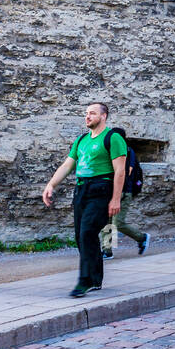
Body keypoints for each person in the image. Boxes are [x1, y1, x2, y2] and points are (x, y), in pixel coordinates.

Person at [42, 102, 128, 298]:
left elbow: (120, 171)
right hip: (81, 190)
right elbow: (67, 165)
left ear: (103, 116)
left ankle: (85, 280)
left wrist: (116, 199)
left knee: (87, 232)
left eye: (92, 113)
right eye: (86, 113)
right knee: (81, 236)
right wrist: (51, 185)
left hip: (101, 188)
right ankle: (95, 279)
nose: (87, 116)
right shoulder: (82, 139)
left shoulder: (113, 138)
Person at [100, 128, 150, 259]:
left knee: (118, 223)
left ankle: (142, 237)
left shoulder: (128, 151)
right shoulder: (112, 151)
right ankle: (107, 250)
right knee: (107, 222)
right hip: (110, 192)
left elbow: (127, 171)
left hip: (124, 192)